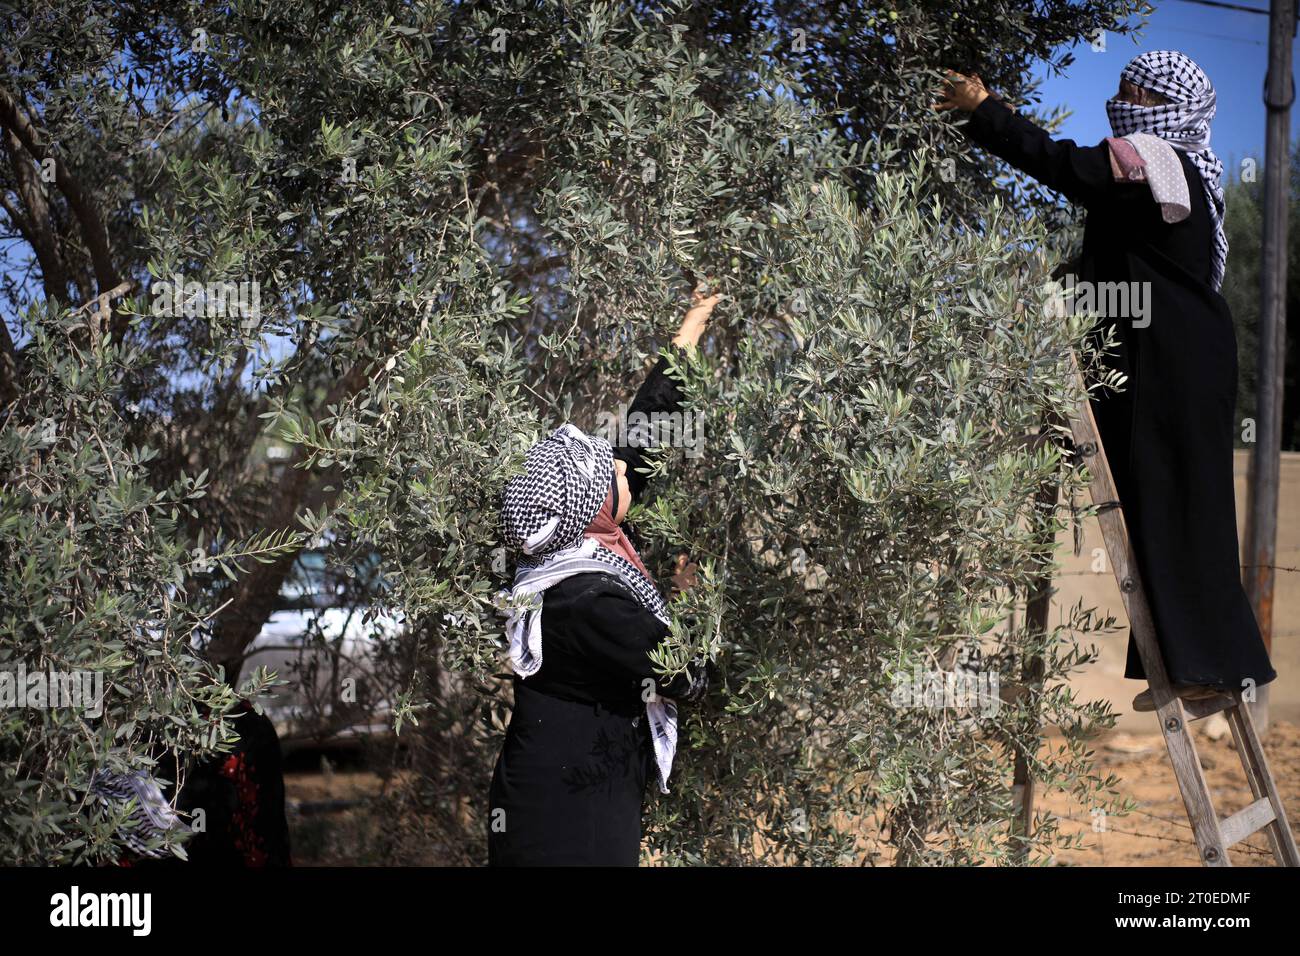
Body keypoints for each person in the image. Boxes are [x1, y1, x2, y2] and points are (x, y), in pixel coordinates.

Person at [936, 52, 1276, 711]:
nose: (1116, 96)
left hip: (1167, 361)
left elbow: (1064, 166)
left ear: (1157, 99)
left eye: (1129, 87)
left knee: (1168, 506)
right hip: (1187, 356)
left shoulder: (1150, 156)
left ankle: (1203, 667)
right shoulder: (1181, 170)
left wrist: (984, 113)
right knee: (1183, 508)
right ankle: (1201, 668)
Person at [487, 290, 718, 866]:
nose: (619, 465)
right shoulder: (590, 601)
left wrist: (694, 322)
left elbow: (637, 445)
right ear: (594, 509)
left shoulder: (558, 555)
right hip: (571, 824)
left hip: (546, 792)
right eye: (608, 470)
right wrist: (694, 601)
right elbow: (690, 677)